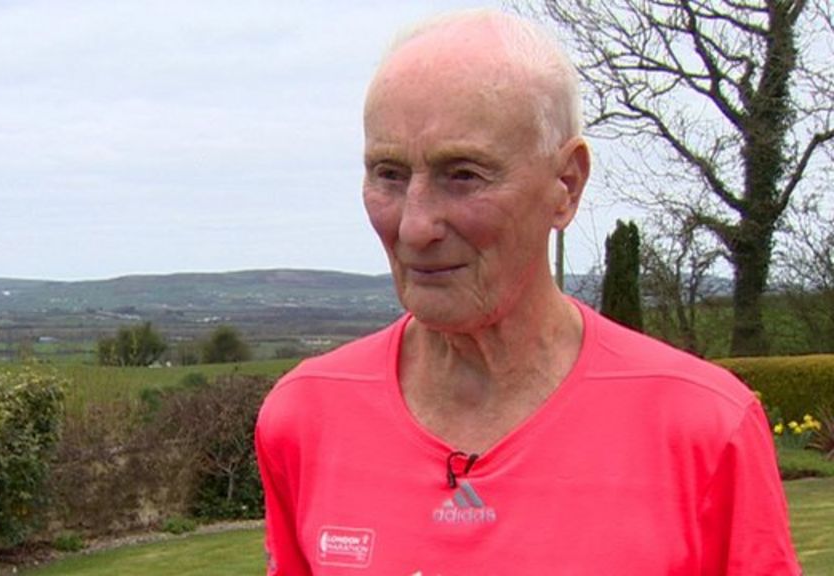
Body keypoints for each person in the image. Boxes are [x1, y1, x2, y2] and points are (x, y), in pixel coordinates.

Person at [255, 9, 799, 575]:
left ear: (565, 186)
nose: (415, 226)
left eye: (462, 174)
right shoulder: (305, 418)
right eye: (389, 174)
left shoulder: (705, 428)